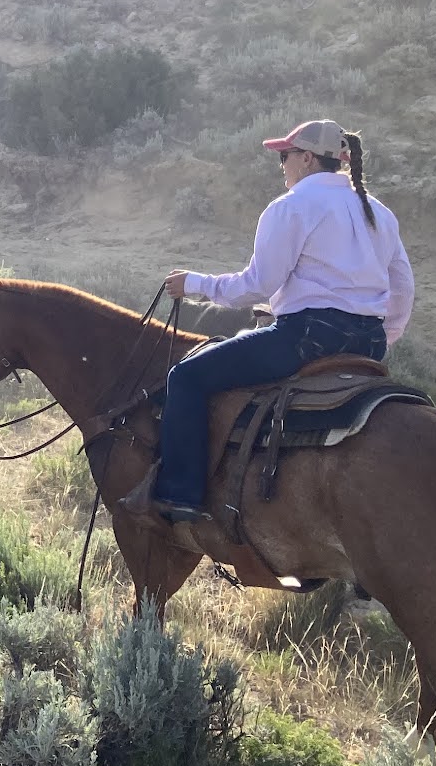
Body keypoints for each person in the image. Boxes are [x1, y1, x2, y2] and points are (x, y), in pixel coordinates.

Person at [131, 119, 414, 527]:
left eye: (285, 156)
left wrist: (194, 284)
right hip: (367, 344)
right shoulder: (380, 213)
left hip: (304, 339)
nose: (282, 165)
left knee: (187, 377)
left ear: (307, 158)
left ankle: (181, 495)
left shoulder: (291, 207)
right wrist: (383, 340)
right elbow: (402, 288)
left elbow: (257, 284)